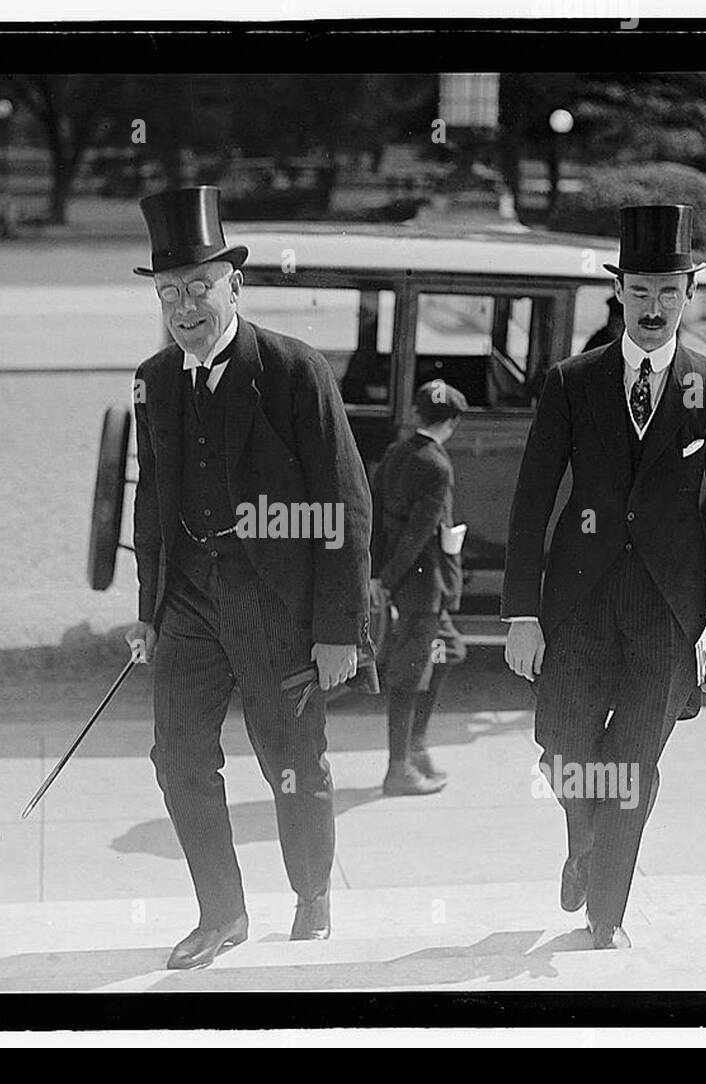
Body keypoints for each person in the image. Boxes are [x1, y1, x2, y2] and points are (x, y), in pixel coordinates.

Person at [124, 186, 373, 969]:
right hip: (190, 603)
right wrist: (149, 611)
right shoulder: (155, 380)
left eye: (200, 286)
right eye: (170, 293)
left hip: (278, 604)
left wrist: (339, 630)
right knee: (177, 755)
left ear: (236, 283)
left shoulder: (296, 371)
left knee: (291, 756)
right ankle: (222, 912)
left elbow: (346, 504)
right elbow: (153, 501)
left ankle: (312, 896)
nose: (186, 306)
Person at [501, 204, 706, 950]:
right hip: (577, 602)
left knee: (634, 761)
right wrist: (522, 613)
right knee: (565, 744)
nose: (652, 308)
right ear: (620, 293)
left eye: (667, 292)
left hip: (670, 611)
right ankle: (584, 841)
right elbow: (530, 500)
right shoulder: (571, 382)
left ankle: (605, 911)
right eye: (639, 291)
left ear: (688, 295)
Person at [370, 381, 469, 795]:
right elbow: (419, 533)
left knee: (449, 650)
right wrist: (387, 583)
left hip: (412, 584)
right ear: (452, 422)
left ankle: (416, 745)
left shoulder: (396, 454)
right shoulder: (437, 466)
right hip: (421, 587)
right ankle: (399, 769)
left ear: (417, 414)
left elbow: (378, 514)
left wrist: (378, 573)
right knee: (409, 676)